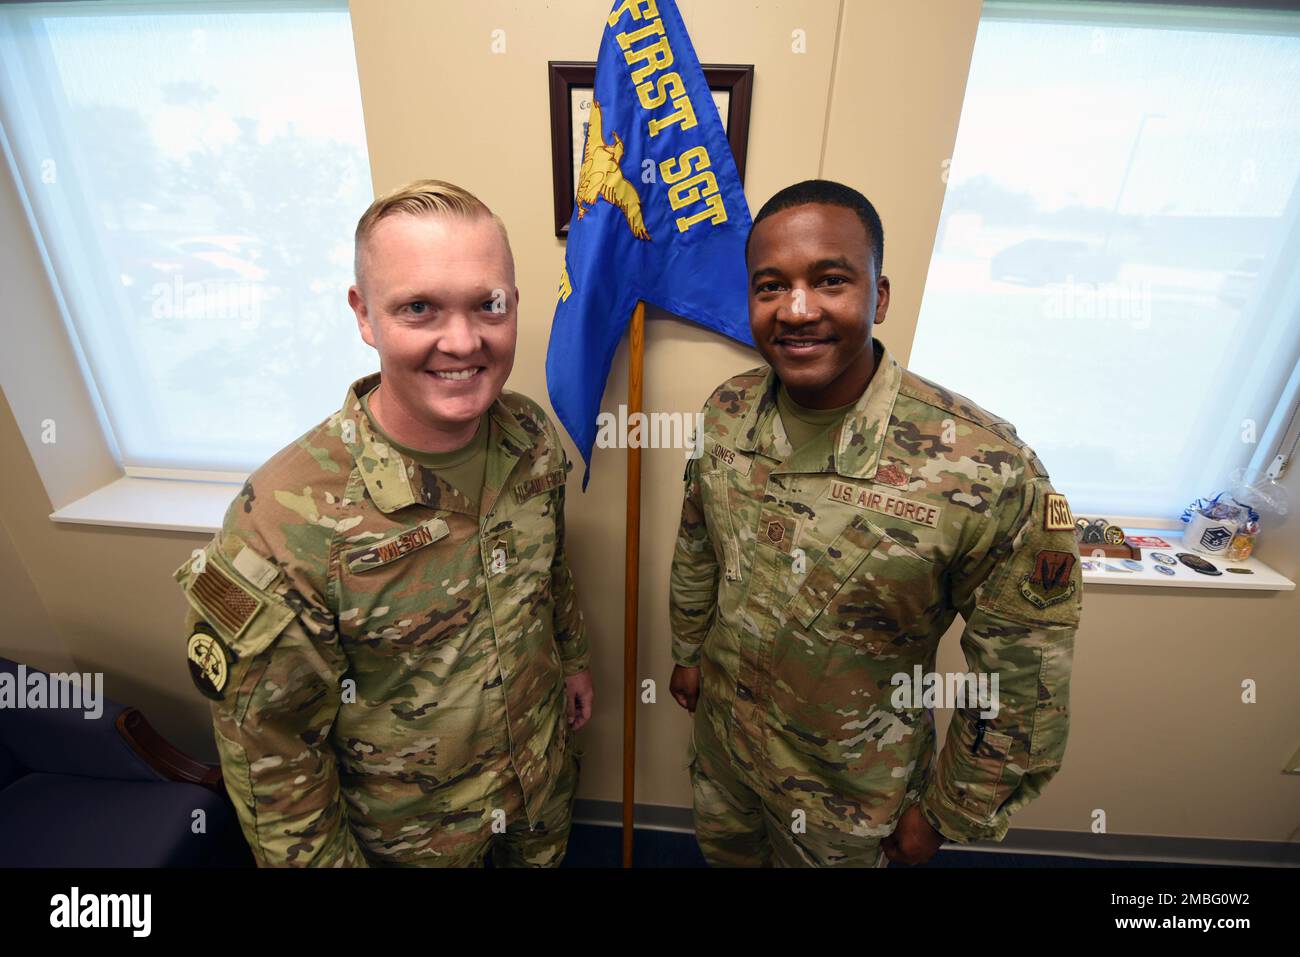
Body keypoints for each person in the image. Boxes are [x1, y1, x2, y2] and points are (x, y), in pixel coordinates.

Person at [175, 179, 593, 867]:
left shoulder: (529, 435)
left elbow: (551, 571)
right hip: (411, 843)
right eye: (419, 308)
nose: (462, 341)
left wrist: (572, 658)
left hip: (537, 794)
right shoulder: (283, 523)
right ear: (365, 315)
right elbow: (273, 760)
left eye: (488, 305)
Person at [668, 179, 1080, 867]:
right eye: (770, 286)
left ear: (878, 295)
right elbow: (697, 543)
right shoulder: (726, 412)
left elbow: (1022, 678)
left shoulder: (986, 467)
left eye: (830, 280)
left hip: (851, 802)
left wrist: (949, 813)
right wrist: (687, 651)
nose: (796, 310)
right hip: (727, 761)